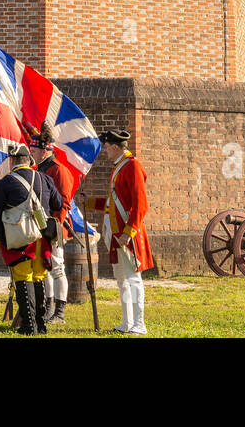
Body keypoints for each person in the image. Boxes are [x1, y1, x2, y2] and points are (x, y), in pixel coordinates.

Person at [0, 143, 63, 335]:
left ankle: (29, 326)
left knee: (23, 279)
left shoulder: (5, 183)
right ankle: (41, 323)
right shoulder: (44, 178)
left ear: (12, 161)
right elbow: (58, 203)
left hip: (18, 238)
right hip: (42, 238)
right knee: (38, 278)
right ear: (29, 160)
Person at [101, 129, 153, 335]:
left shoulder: (133, 166)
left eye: (106, 147)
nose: (105, 151)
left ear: (115, 147)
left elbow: (141, 204)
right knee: (122, 279)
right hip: (116, 233)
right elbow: (116, 201)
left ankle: (139, 324)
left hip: (127, 234)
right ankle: (127, 321)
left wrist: (128, 232)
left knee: (133, 279)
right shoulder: (119, 167)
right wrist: (92, 203)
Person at [29, 126, 75, 325]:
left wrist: (52, 227)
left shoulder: (58, 170)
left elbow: (63, 203)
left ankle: (60, 312)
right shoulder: (38, 170)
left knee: (57, 268)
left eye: (34, 150)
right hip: (40, 226)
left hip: (54, 226)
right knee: (44, 268)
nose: (31, 153)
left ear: (45, 150)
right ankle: (47, 308)